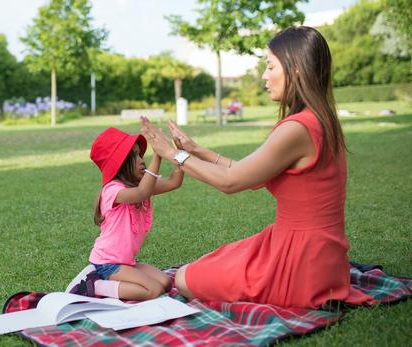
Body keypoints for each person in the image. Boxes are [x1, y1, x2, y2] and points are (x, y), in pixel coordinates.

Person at [140, 26, 374, 308]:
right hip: (319, 254)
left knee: (184, 279)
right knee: (205, 263)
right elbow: (251, 176)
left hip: (301, 263)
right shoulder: (320, 118)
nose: (264, 76)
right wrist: (196, 150)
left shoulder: (298, 128)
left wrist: (172, 154)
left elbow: (231, 182)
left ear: (296, 68)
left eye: (270, 66)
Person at [67, 127, 184, 301]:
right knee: (153, 290)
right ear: (120, 164)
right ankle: (94, 286)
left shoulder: (140, 186)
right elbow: (142, 193)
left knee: (165, 283)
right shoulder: (113, 191)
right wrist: (158, 155)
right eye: (134, 156)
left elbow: (174, 182)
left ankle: (113, 281)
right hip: (107, 263)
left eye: (141, 155)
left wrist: (180, 154)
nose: (141, 160)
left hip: (126, 262)